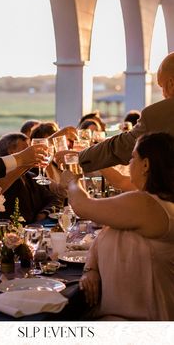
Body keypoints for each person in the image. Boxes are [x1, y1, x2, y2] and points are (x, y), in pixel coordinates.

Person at [61, 132, 174, 320]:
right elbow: (102, 239)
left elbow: (82, 206)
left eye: (132, 158)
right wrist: (91, 269)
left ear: (145, 165)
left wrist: (72, 181)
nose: (129, 164)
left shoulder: (146, 205)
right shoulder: (146, 202)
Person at [79, 52, 174, 172]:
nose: (162, 94)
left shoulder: (157, 114)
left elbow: (122, 147)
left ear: (171, 83)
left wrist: (78, 158)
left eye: (162, 87)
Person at [0, 133, 62, 225]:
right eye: (27, 149)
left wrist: (44, 213)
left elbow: (54, 199)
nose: (32, 152)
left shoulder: (30, 176)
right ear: (12, 152)